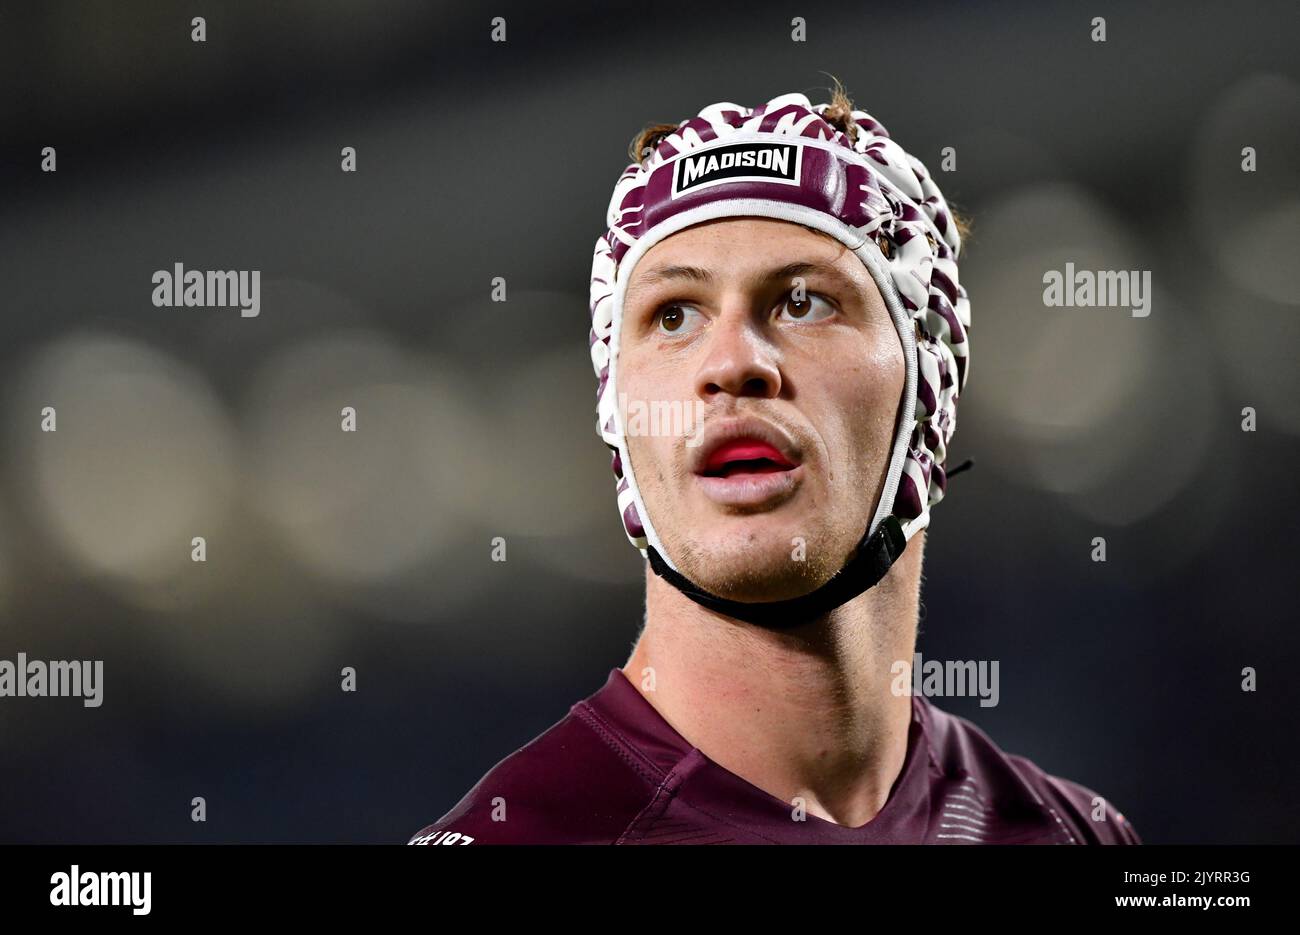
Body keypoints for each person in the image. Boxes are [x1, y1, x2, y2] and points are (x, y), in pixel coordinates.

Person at [408, 83, 1140, 845]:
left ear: (928, 385)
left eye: (801, 301)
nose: (730, 364)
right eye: (674, 315)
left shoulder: (1071, 831)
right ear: (616, 409)